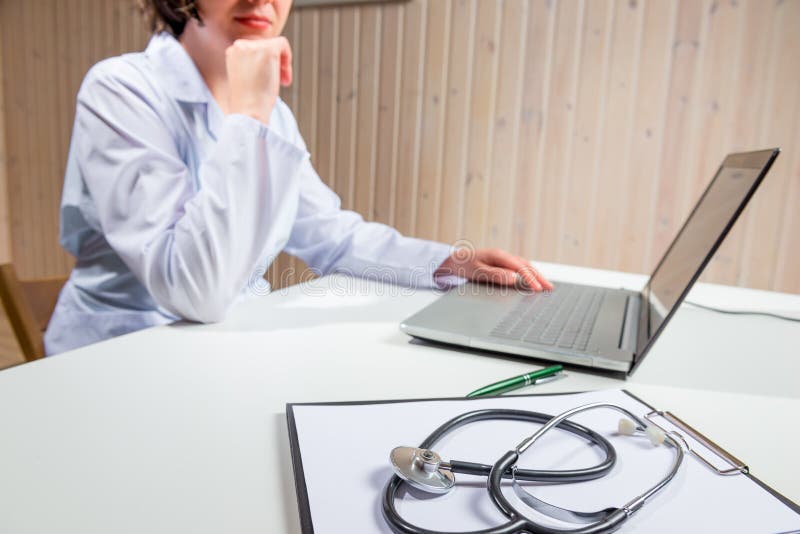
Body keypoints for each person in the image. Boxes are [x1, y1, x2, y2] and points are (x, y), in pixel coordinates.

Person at [44, 0, 553, 355]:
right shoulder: (121, 89)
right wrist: (248, 116)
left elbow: (333, 237)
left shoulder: (270, 113)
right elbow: (195, 289)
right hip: (119, 356)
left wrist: (450, 262)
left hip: (230, 349)